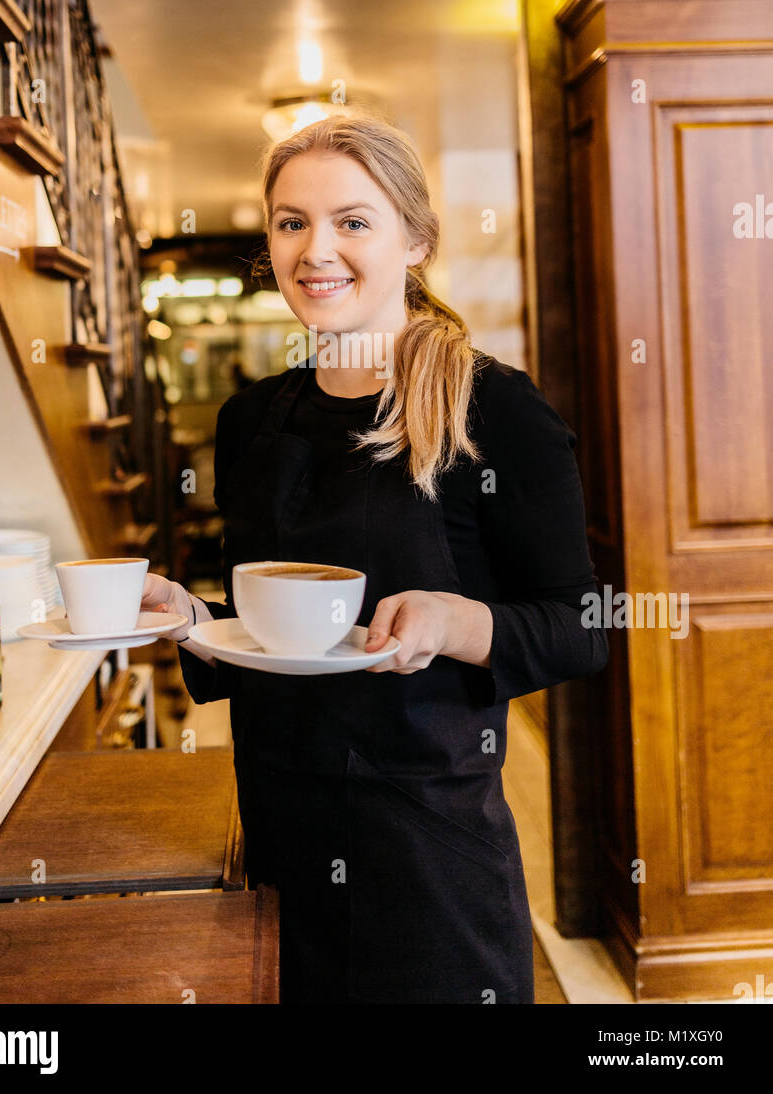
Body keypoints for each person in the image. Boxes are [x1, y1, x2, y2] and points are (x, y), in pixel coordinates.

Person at [142, 112, 609, 1004]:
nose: (317, 249)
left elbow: (579, 626)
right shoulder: (251, 421)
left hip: (428, 854)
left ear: (417, 241)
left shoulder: (496, 412)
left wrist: (458, 620)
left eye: (353, 221)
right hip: (277, 829)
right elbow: (275, 636)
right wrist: (195, 624)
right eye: (291, 222)